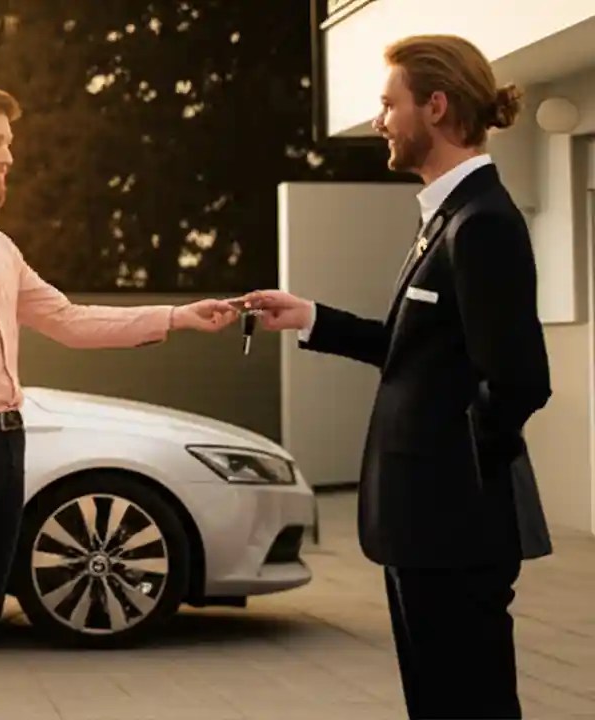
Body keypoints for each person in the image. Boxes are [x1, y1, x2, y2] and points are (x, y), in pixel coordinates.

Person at [0, 85, 237, 720]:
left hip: (5, 448)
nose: (9, 156)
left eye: (9, 143)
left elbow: (69, 320)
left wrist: (177, 316)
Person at [240, 34, 552, 719]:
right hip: (427, 531)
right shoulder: (442, 218)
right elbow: (417, 352)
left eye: (389, 103)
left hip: (452, 532)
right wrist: (310, 316)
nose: (379, 120)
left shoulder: (482, 224)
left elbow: (521, 380)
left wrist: (460, 477)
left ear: (435, 107)